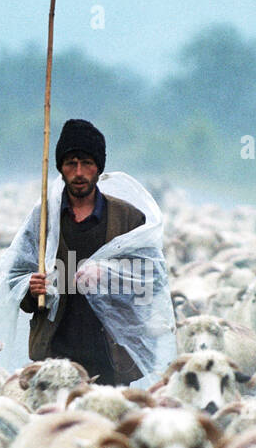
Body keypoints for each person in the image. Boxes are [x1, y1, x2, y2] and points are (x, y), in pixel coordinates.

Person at [14, 119, 153, 385]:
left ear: (99, 167)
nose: (79, 172)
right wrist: (32, 291)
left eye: (87, 163)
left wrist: (109, 276)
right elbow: (21, 287)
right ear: (60, 169)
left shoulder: (129, 219)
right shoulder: (43, 220)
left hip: (112, 355)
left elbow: (148, 286)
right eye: (71, 163)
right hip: (56, 355)